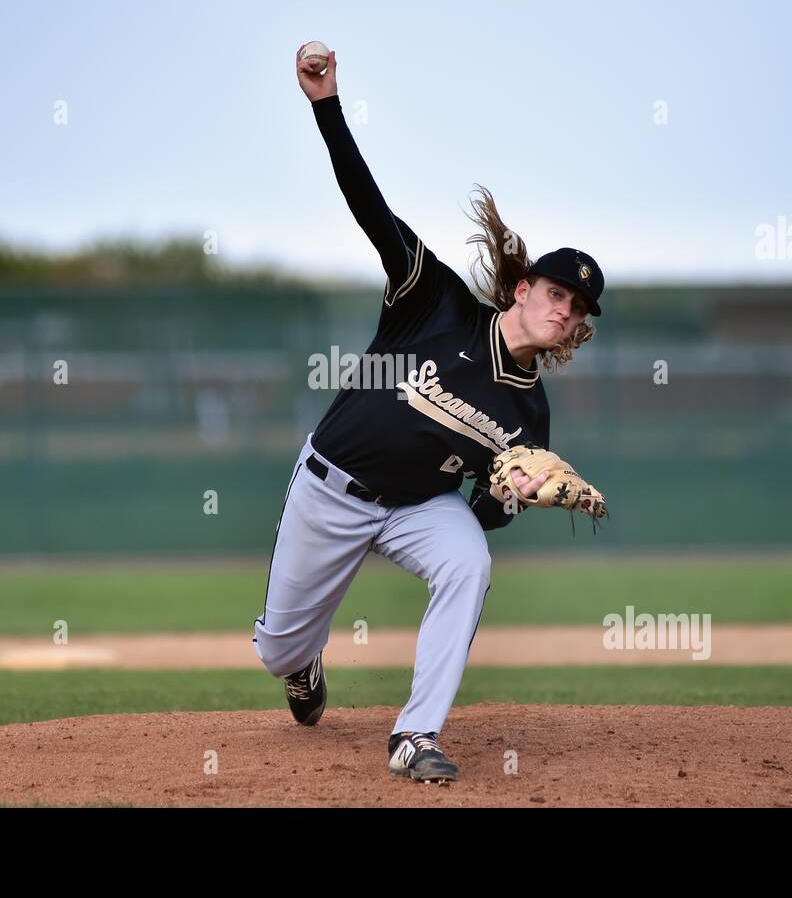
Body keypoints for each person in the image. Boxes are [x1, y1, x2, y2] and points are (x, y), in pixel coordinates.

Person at [251, 45, 607, 784]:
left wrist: (505, 498)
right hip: (332, 484)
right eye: (555, 293)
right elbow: (369, 207)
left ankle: (415, 733)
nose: (562, 310)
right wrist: (326, 105)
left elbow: (485, 514)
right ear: (523, 290)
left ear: (575, 330)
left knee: (469, 562)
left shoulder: (529, 417)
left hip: (419, 505)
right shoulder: (434, 301)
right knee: (276, 649)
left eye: (575, 310)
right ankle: (301, 664)